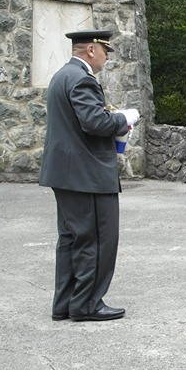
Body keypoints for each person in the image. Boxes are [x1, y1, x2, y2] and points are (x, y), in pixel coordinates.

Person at [39, 30, 140, 322]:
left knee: (71, 239)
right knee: (95, 240)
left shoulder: (63, 75)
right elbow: (94, 121)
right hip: (87, 175)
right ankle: (86, 305)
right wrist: (125, 118)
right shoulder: (82, 79)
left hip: (68, 174)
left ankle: (66, 303)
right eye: (106, 52)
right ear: (92, 50)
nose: (107, 59)